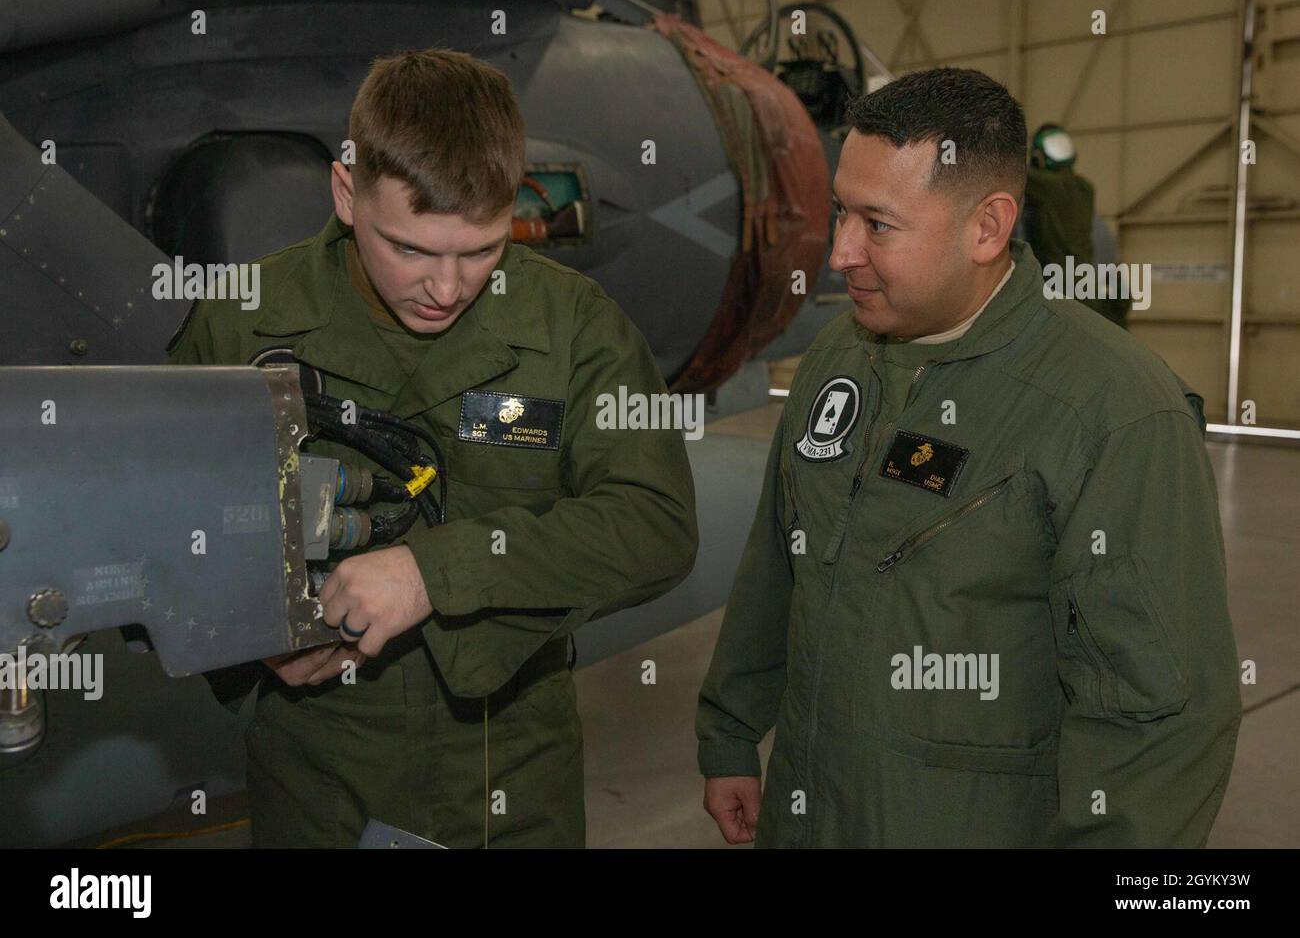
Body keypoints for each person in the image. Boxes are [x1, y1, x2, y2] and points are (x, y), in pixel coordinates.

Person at [167, 48, 698, 847]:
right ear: (346, 194)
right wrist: (248, 636)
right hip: (318, 778)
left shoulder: (573, 328)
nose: (446, 288)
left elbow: (655, 523)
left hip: (510, 776)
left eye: (482, 250)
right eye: (411, 249)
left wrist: (434, 573)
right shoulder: (244, 321)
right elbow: (158, 519)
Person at [696, 67, 1240, 847]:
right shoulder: (835, 362)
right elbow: (776, 568)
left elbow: (1158, 717)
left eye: (876, 225)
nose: (840, 252)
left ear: (986, 228)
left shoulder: (1113, 412)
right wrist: (731, 732)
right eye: (839, 214)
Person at [1022, 123, 1124, 327]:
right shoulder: (1085, 189)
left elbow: (1011, 172)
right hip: (1087, 288)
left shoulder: (1047, 187)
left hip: (1060, 289)